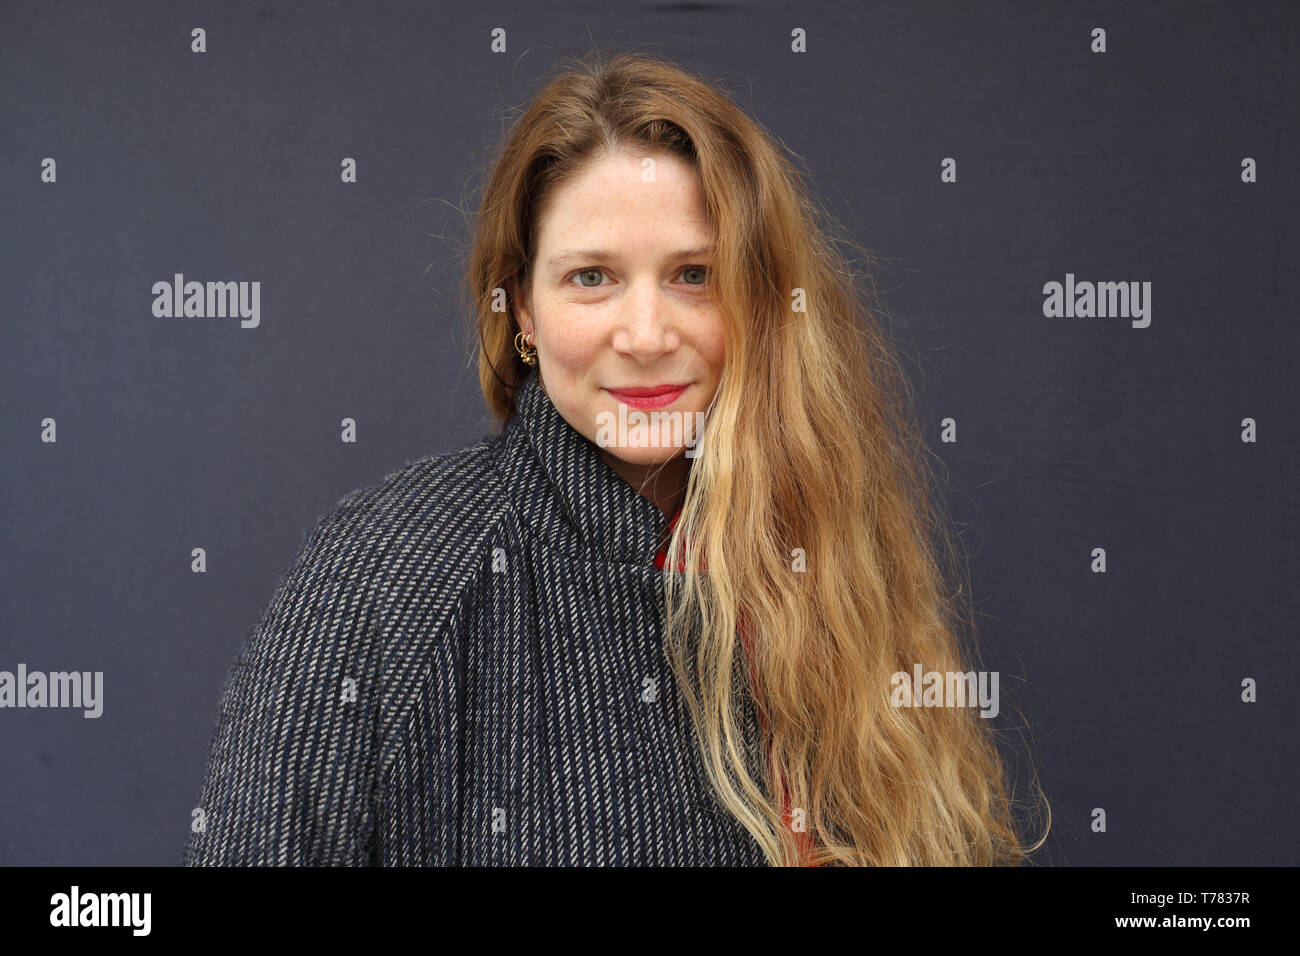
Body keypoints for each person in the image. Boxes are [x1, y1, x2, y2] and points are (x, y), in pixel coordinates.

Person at [183, 48, 1046, 866]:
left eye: (694, 274)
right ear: (522, 308)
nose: (645, 335)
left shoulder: (831, 549)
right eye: (591, 277)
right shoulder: (388, 572)